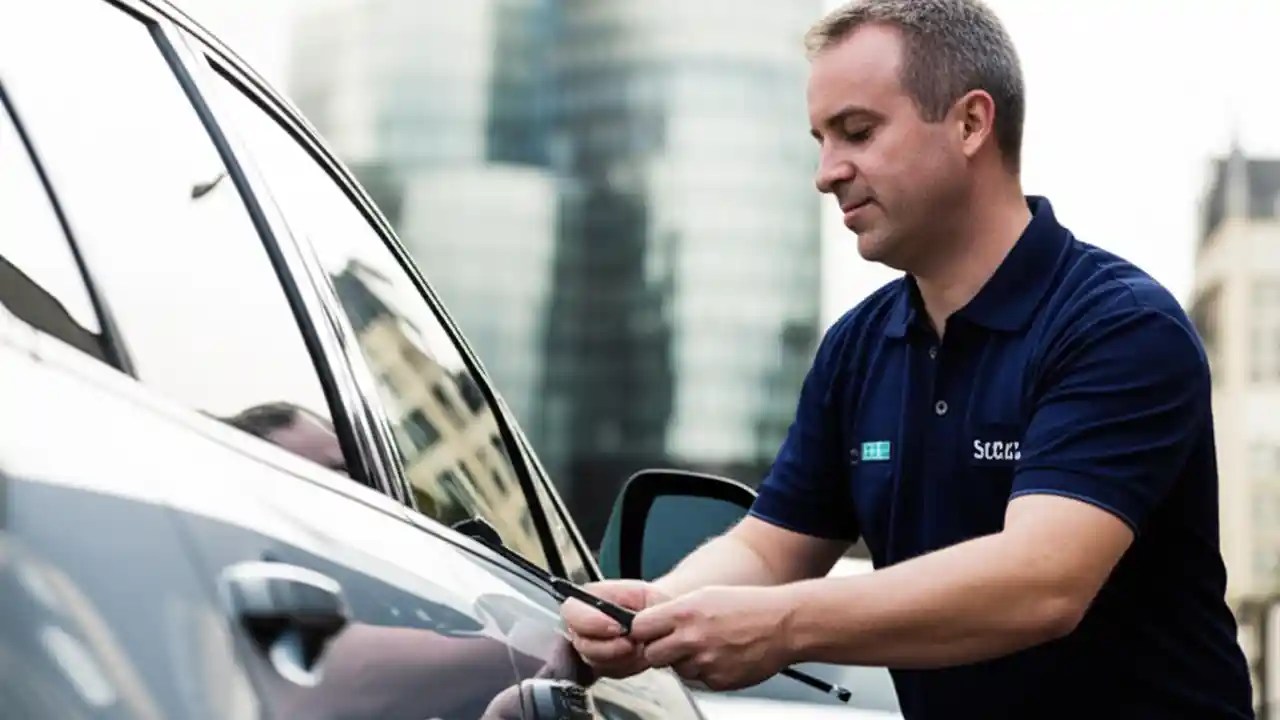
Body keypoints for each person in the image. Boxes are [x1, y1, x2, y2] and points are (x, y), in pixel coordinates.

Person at [561, 1, 1255, 717]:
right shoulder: (858, 347)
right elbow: (770, 551)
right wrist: (659, 607)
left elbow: (1042, 583)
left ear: (970, 124)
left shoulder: (1118, 326)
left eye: (857, 132)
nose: (826, 173)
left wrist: (784, 625)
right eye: (820, 140)